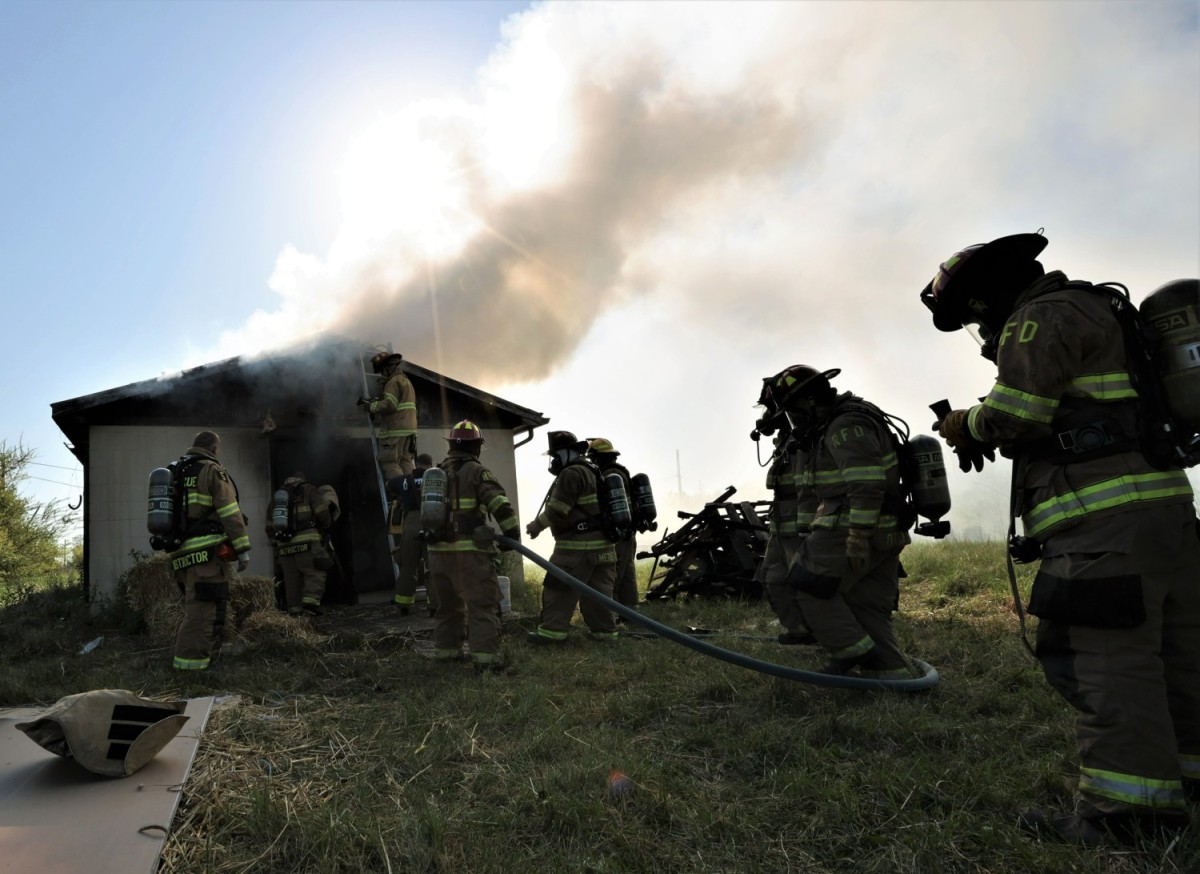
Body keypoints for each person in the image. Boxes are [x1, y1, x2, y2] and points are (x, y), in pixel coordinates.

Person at [920, 231, 1200, 845]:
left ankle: (1132, 816)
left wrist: (963, 424)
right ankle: (1185, 778)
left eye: (972, 315)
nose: (980, 329)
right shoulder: (1097, 307)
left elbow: (1016, 414)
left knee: (1109, 661)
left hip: (1104, 525)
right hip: (1165, 514)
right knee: (1178, 655)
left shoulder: (1036, 318)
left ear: (989, 297)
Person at [767, 366, 917, 679]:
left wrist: (857, 537)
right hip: (886, 530)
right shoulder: (842, 421)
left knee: (807, 585)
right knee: (866, 606)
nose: (794, 422)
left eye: (793, 412)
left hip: (851, 526)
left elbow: (866, 484)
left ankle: (853, 650)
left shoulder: (845, 424)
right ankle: (891, 673)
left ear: (809, 401)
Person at [425, 420, 521, 673]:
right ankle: (485, 662)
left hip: (438, 555)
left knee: (448, 608)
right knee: (482, 606)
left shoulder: (436, 473)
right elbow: (499, 503)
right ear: (476, 446)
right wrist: (512, 532)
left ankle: (447, 655)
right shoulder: (477, 472)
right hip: (468, 555)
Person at [166, 430, 250, 671]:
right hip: (204, 552)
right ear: (214, 449)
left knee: (196, 608)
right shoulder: (211, 470)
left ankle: (200, 658)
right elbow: (229, 511)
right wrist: (242, 549)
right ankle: (190, 668)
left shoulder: (176, 471)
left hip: (180, 554)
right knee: (202, 611)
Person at [526, 430, 620, 644]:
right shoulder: (594, 470)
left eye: (556, 455)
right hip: (604, 547)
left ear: (567, 452)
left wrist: (536, 526)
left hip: (576, 548)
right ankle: (604, 634)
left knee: (557, 588)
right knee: (600, 594)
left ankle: (552, 634)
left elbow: (558, 509)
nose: (553, 461)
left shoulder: (571, 473)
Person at [751, 377, 815, 646]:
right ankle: (799, 630)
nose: (767, 416)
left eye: (772, 408)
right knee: (773, 578)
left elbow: (808, 486)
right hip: (782, 524)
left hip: (801, 525)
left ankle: (825, 633)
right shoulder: (787, 440)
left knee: (806, 581)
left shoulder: (807, 437)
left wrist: (808, 526)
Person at [265, 471, 336, 616]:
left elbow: (268, 526)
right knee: (316, 572)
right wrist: (327, 524)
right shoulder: (309, 489)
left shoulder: (276, 497)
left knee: (292, 580)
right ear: (302, 479)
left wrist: (276, 545)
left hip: (284, 547)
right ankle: (310, 604)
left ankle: (295, 611)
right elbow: (322, 513)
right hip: (307, 543)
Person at [585, 438, 639, 611]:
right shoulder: (620, 473)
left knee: (614, 574)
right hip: (628, 532)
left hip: (619, 534)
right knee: (627, 572)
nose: (592, 463)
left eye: (593, 459)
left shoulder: (608, 477)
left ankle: (613, 613)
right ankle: (630, 609)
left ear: (599, 458)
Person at [358, 351, 417, 481]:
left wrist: (370, 407)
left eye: (382, 371)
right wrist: (378, 400)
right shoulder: (405, 381)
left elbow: (390, 404)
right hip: (409, 430)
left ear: (388, 368)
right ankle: (413, 491)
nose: (382, 374)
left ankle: (401, 494)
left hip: (395, 430)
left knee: (390, 463)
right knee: (405, 462)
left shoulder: (392, 382)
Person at [390, 453, 434, 615]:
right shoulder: (435, 478)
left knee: (408, 566)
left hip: (411, 523)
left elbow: (390, 485)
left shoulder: (404, 480)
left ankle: (404, 605)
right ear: (430, 465)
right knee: (433, 567)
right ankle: (434, 607)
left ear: (416, 464)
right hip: (431, 522)